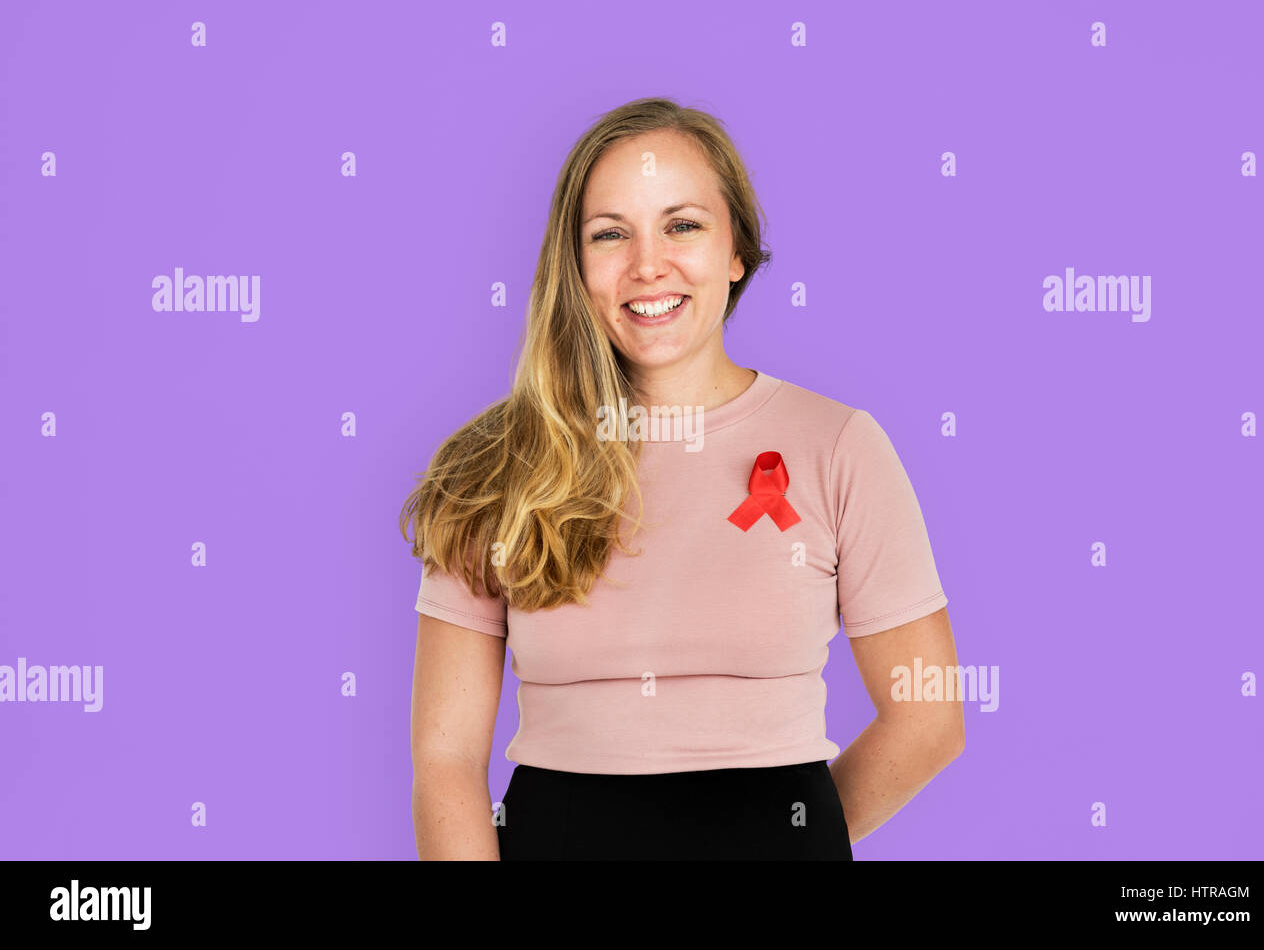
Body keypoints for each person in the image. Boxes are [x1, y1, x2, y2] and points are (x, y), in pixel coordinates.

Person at [400, 97, 963, 860]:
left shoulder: (841, 447)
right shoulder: (496, 464)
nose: (647, 264)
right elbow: (444, 761)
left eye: (683, 224)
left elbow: (928, 717)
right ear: (575, 265)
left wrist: (795, 838)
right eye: (610, 234)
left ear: (737, 252)